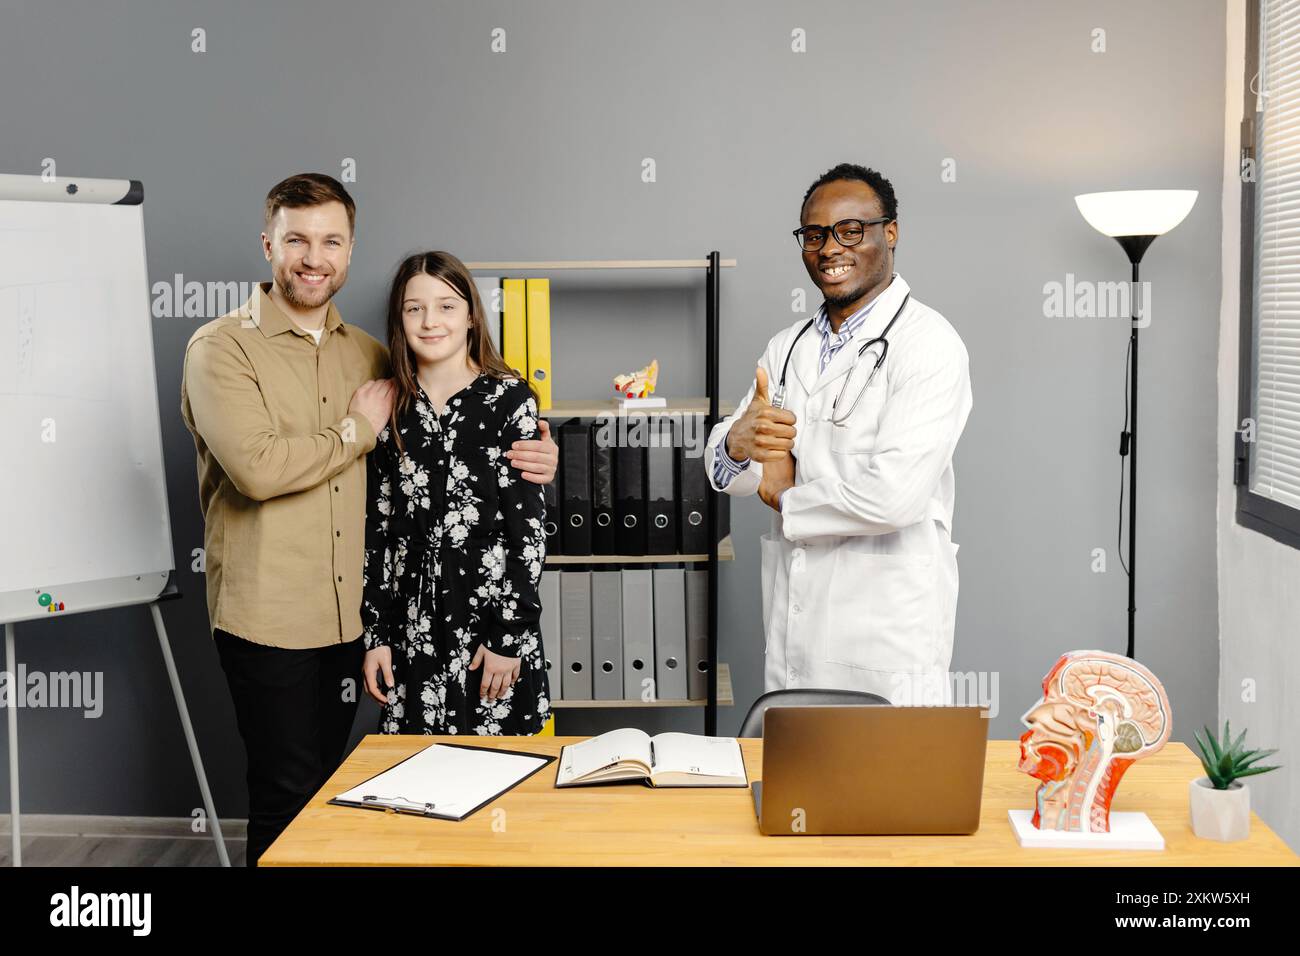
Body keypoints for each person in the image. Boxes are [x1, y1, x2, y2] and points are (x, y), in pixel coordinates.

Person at [180, 174, 558, 864]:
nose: (313, 256)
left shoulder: (376, 359)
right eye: (296, 239)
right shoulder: (221, 348)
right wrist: (358, 428)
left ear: (350, 252)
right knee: (287, 795)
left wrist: (540, 456)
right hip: (277, 620)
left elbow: (493, 502)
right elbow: (262, 471)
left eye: (330, 241)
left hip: (350, 624)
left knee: (343, 792)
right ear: (268, 244)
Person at [704, 163, 972, 704]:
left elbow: (893, 498)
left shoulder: (929, 344)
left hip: (886, 630)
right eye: (815, 234)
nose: (830, 248)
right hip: (796, 623)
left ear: (890, 233)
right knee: (798, 781)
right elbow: (722, 472)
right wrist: (738, 442)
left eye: (851, 230)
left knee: (889, 783)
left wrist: (783, 494)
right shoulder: (786, 348)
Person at [359, 251, 550, 735]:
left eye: (446, 306)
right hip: (413, 624)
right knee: (420, 777)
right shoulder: (388, 406)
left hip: (490, 616)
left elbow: (527, 535)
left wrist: (510, 635)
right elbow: (377, 529)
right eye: (414, 308)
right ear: (399, 320)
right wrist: (377, 635)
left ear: (470, 315)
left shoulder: (510, 401)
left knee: (500, 774)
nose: (430, 321)